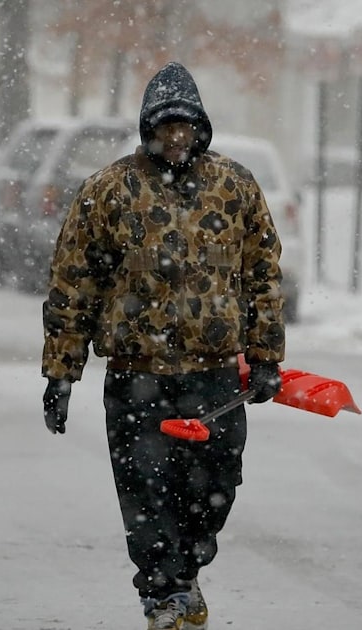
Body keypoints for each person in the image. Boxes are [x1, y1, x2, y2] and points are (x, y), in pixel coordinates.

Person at [40, 62, 286, 630]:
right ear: (149, 127)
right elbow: (73, 284)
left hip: (215, 376)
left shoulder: (235, 187)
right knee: (146, 491)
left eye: (186, 125)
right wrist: (61, 373)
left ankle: (187, 571)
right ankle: (164, 592)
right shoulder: (108, 191)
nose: (176, 136)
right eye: (166, 125)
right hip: (136, 374)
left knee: (216, 486)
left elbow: (263, 275)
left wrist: (267, 357)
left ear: (200, 127)